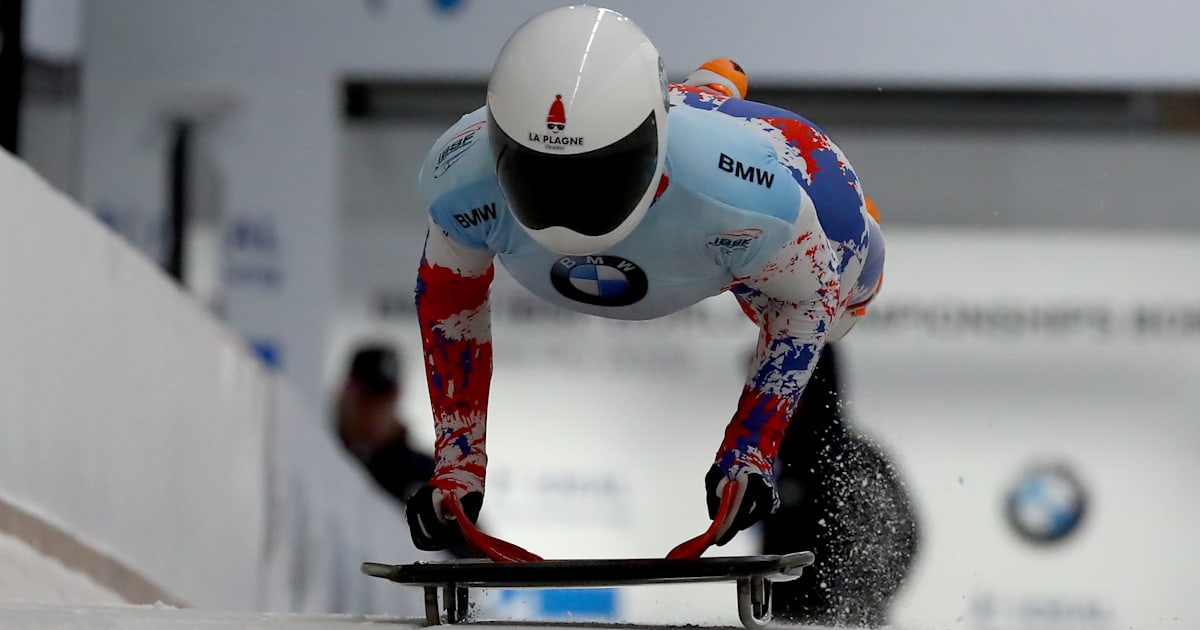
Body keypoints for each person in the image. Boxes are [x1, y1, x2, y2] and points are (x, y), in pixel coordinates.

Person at [405, 5, 886, 555]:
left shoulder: (760, 197)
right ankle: (704, 89)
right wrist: (457, 464)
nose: (568, 203)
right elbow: (449, 303)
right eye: (540, 172)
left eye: (595, 175)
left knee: (851, 277)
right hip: (690, 223)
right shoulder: (459, 180)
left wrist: (751, 449)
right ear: (499, 146)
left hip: (723, 199)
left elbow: (806, 302)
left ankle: (709, 95)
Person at [762, 342, 919, 627]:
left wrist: (847, 611)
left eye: (781, 385)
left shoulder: (852, 460)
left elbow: (900, 540)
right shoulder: (769, 458)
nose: (770, 398)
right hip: (778, 620)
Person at [335, 343, 435, 505]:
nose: (376, 411)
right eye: (366, 397)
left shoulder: (428, 477)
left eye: (386, 399)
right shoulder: (322, 451)